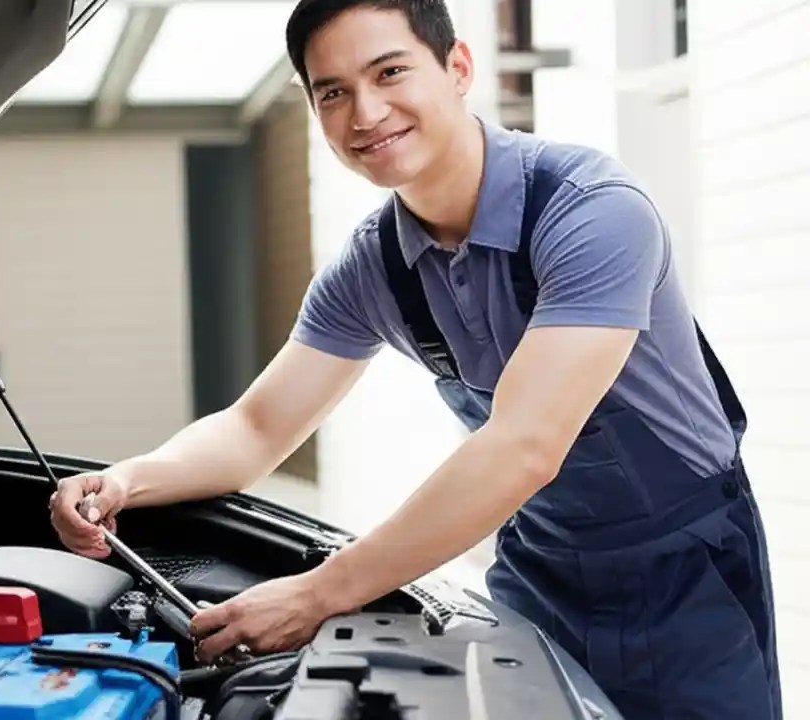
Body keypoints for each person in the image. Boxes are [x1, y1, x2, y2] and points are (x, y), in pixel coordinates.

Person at [46, 1, 781, 716]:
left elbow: (525, 445)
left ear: (457, 66)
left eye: (390, 72)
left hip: (688, 575)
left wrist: (319, 592)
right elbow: (255, 429)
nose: (365, 114)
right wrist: (127, 480)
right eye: (333, 92)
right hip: (541, 567)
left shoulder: (589, 210)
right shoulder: (374, 267)